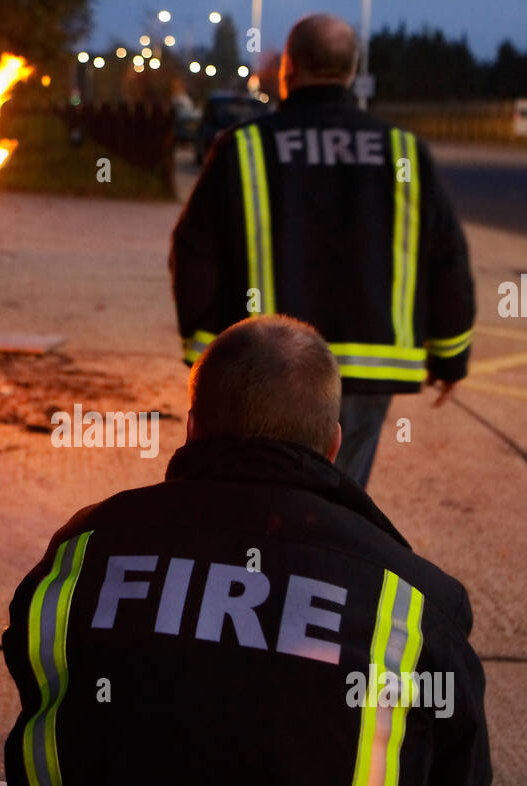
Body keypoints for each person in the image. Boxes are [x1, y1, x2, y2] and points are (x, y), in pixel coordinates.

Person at [1, 316, 490, 786]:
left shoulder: (82, 548)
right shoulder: (416, 600)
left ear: (191, 428)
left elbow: (39, 709)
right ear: (332, 445)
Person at [171, 12, 476, 488]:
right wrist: (451, 355)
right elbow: (446, 259)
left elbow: (193, 255)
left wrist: (207, 354)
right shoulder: (404, 151)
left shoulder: (246, 147)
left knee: (251, 491)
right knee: (336, 500)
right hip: (369, 367)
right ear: (351, 70)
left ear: (288, 68)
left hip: (264, 366)